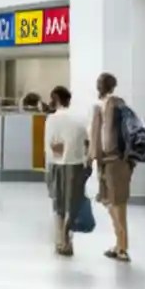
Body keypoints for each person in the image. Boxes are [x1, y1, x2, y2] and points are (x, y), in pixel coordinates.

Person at [90, 72, 133, 262]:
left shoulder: (105, 106)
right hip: (118, 161)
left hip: (111, 162)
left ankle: (122, 247)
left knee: (116, 204)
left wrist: (92, 158)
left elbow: (98, 137)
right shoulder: (118, 104)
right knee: (114, 203)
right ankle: (119, 244)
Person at [45, 86, 89, 257]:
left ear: (55, 98)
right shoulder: (79, 118)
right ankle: (68, 238)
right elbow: (86, 141)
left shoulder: (52, 119)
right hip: (76, 164)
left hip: (57, 164)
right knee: (72, 204)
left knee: (59, 205)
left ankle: (60, 241)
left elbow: (51, 145)